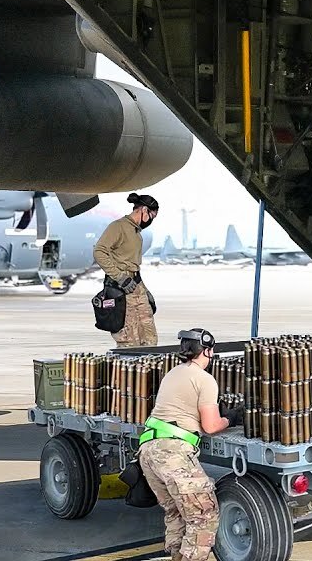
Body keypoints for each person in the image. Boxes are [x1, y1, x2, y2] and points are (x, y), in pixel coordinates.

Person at [139, 328, 242, 561]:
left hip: (149, 450)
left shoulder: (173, 373)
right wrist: (232, 418)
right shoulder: (205, 380)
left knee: (176, 513)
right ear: (207, 350)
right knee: (204, 515)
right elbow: (211, 426)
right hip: (172, 452)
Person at [93, 193, 159, 347]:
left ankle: (147, 370)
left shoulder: (137, 233)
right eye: (151, 215)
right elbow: (99, 252)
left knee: (149, 339)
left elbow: (134, 267)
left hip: (136, 287)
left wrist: (145, 290)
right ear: (143, 210)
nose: (151, 220)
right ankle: (127, 370)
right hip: (120, 290)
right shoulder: (118, 227)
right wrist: (120, 277)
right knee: (129, 341)